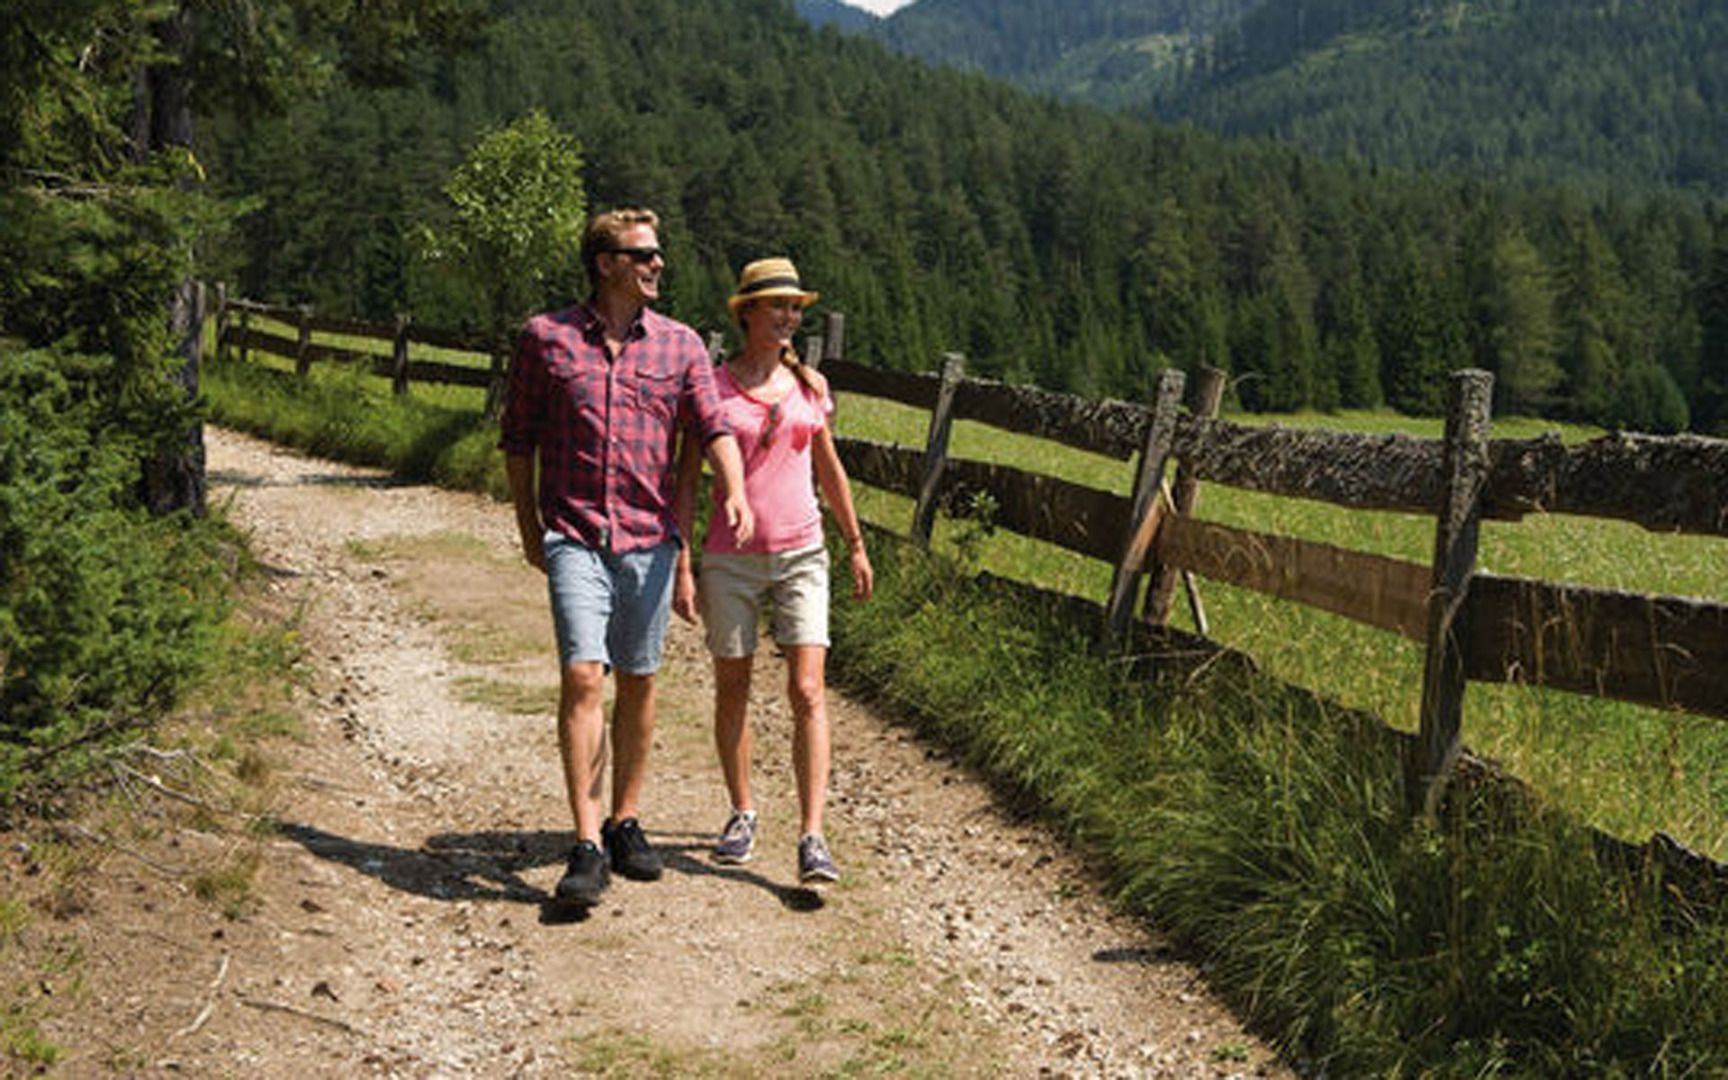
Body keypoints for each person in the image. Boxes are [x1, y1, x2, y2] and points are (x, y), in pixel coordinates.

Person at [500, 208, 754, 911]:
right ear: (607, 261)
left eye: (658, 255)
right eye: (645, 255)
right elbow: (517, 441)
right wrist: (529, 528)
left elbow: (713, 425)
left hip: (648, 541)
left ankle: (624, 819)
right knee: (584, 675)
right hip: (575, 535)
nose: (659, 266)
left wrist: (732, 487)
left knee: (638, 683)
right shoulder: (544, 339)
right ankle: (585, 843)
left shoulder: (680, 348)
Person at [674, 256, 873, 886]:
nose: (788, 317)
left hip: (802, 554)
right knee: (733, 687)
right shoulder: (711, 386)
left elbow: (829, 469)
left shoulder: (810, 388)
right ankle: (742, 811)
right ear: (747, 312)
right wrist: (682, 560)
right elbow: (684, 479)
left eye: (795, 307)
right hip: (728, 560)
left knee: (808, 691)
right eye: (777, 306)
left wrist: (856, 541)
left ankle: (813, 835)